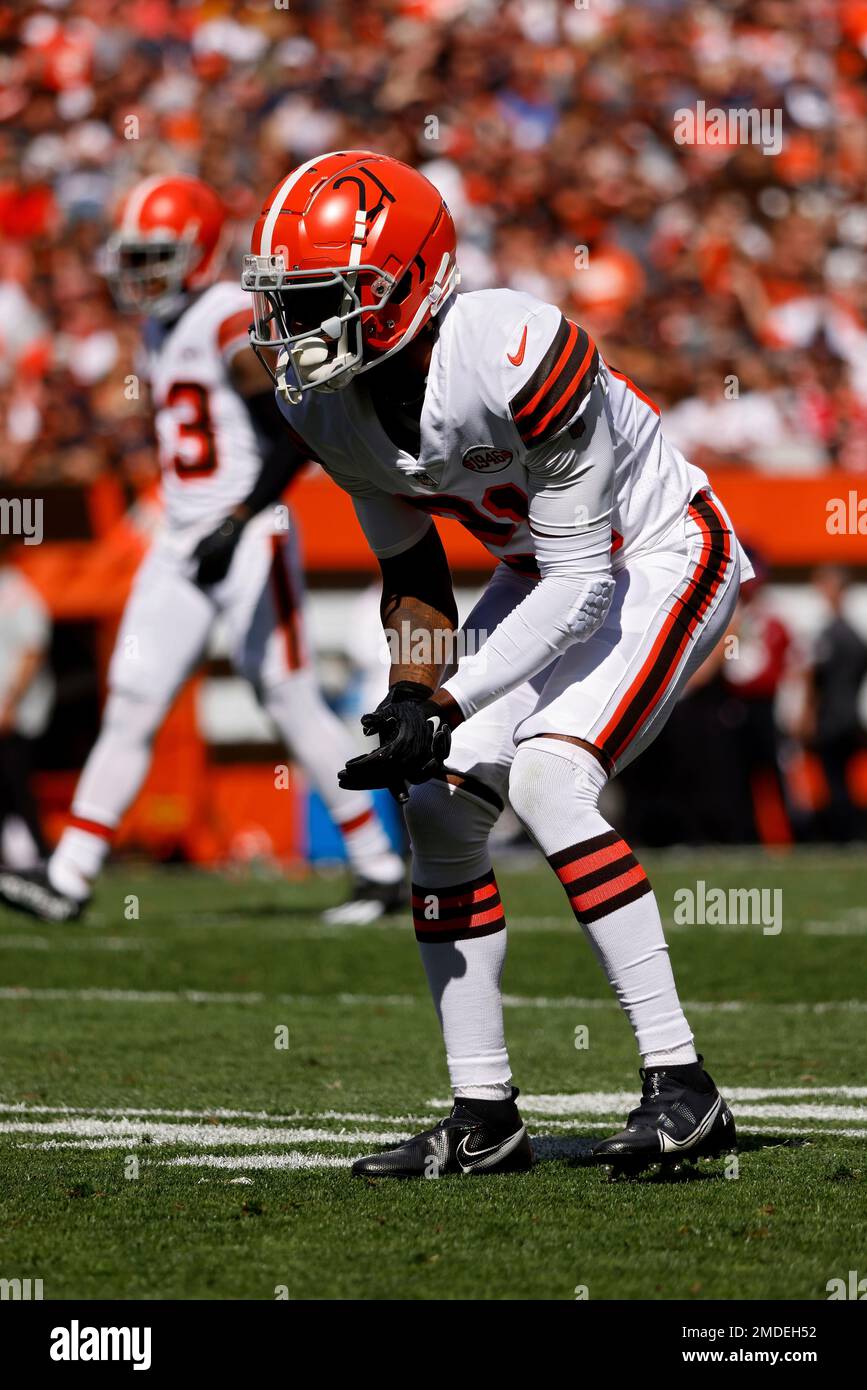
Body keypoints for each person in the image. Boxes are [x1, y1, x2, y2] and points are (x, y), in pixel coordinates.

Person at [242, 150, 752, 1176]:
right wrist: (408, 694)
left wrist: (454, 694)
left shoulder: (517, 347)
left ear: (413, 286)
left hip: (656, 551)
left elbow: (585, 582)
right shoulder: (325, 408)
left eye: (325, 299)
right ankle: (485, 1113)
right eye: (287, 302)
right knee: (434, 805)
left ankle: (683, 1085)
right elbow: (416, 573)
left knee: (554, 778)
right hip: (541, 569)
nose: (296, 330)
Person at [0, 174, 403, 927]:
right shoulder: (161, 327)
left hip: (250, 533)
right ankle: (70, 875)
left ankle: (379, 867)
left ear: (198, 250)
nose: (141, 272)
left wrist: (244, 514)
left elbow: (293, 432)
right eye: (136, 256)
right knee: (132, 701)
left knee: (287, 699)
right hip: (183, 537)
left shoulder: (223, 316)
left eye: (157, 255)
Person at [802, 566, 867, 842]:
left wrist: (808, 714)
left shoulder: (831, 633)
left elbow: (815, 678)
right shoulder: (854, 634)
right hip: (850, 715)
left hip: (833, 717)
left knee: (835, 780)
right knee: (843, 779)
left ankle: (842, 834)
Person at [0, 546, 54, 867]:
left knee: (17, 783)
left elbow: (33, 647)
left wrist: (10, 700)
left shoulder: (16, 592)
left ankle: (43, 854)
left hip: (14, 712)